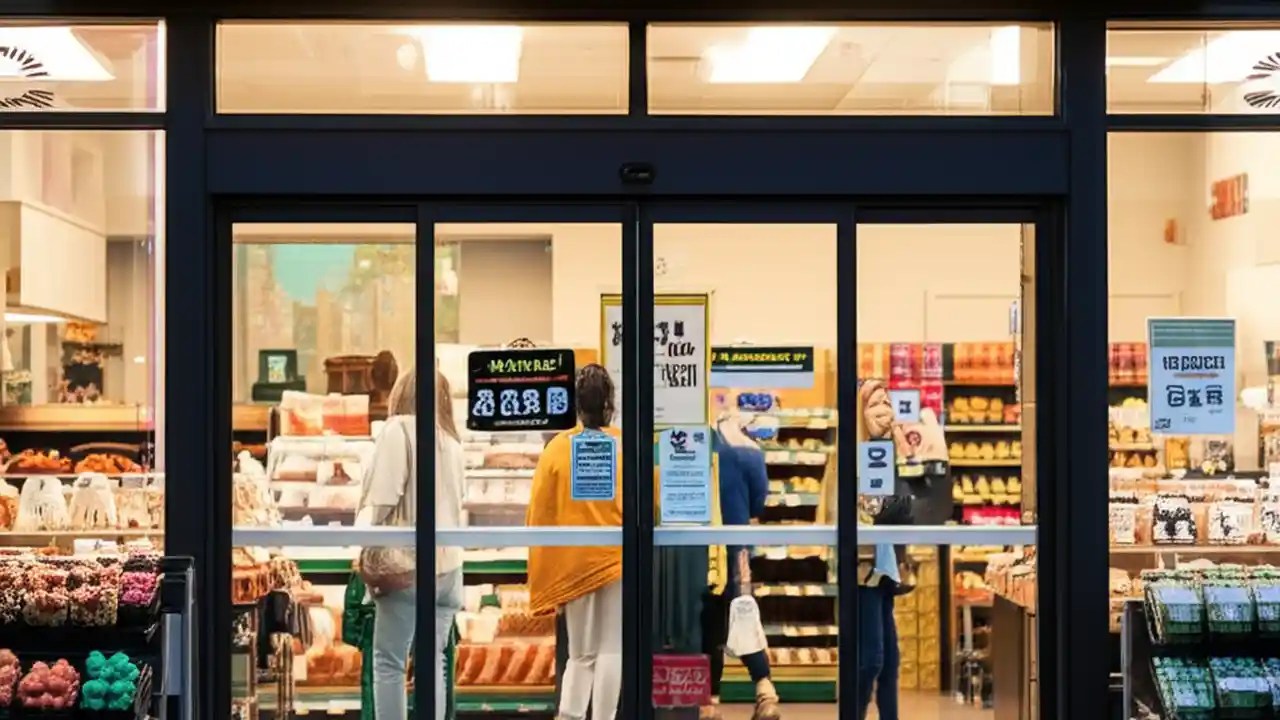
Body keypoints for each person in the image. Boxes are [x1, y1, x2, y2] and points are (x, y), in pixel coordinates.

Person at [360, 368, 465, 720]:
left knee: (389, 661)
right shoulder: (451, 440)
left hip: (408, 565)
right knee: (433, 659)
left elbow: (385, 497)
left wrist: (368, 541)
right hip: (449, 569)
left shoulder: (399, 429)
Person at [527, 364, 623, 720]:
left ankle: (569, 716)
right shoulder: (623, 446)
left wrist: (544, 574)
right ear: (609, 404)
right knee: (612, 648)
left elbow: (539, 513)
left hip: (573, 566)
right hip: (616, 561)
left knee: (581, 653)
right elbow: (650, 503)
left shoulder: (556, 450)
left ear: (576, 405)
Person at [700, 412, 779, 720]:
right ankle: (765, 690)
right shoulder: (747, 449)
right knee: (742, 613)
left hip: (701, 550)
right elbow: (759, 503)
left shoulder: (687, 446)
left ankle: (708, 703)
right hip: (738, 552)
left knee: (708, 620)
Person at [850, 379, 916, 720]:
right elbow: (873, 507)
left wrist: (905, 448)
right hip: (863, 568)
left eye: (887, 402)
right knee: (872, 658)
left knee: (890, 662)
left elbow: (911, 501)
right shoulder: (856, 454)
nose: (884, 410)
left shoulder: (891, 450)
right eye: (875, 403)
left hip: (886, 566)